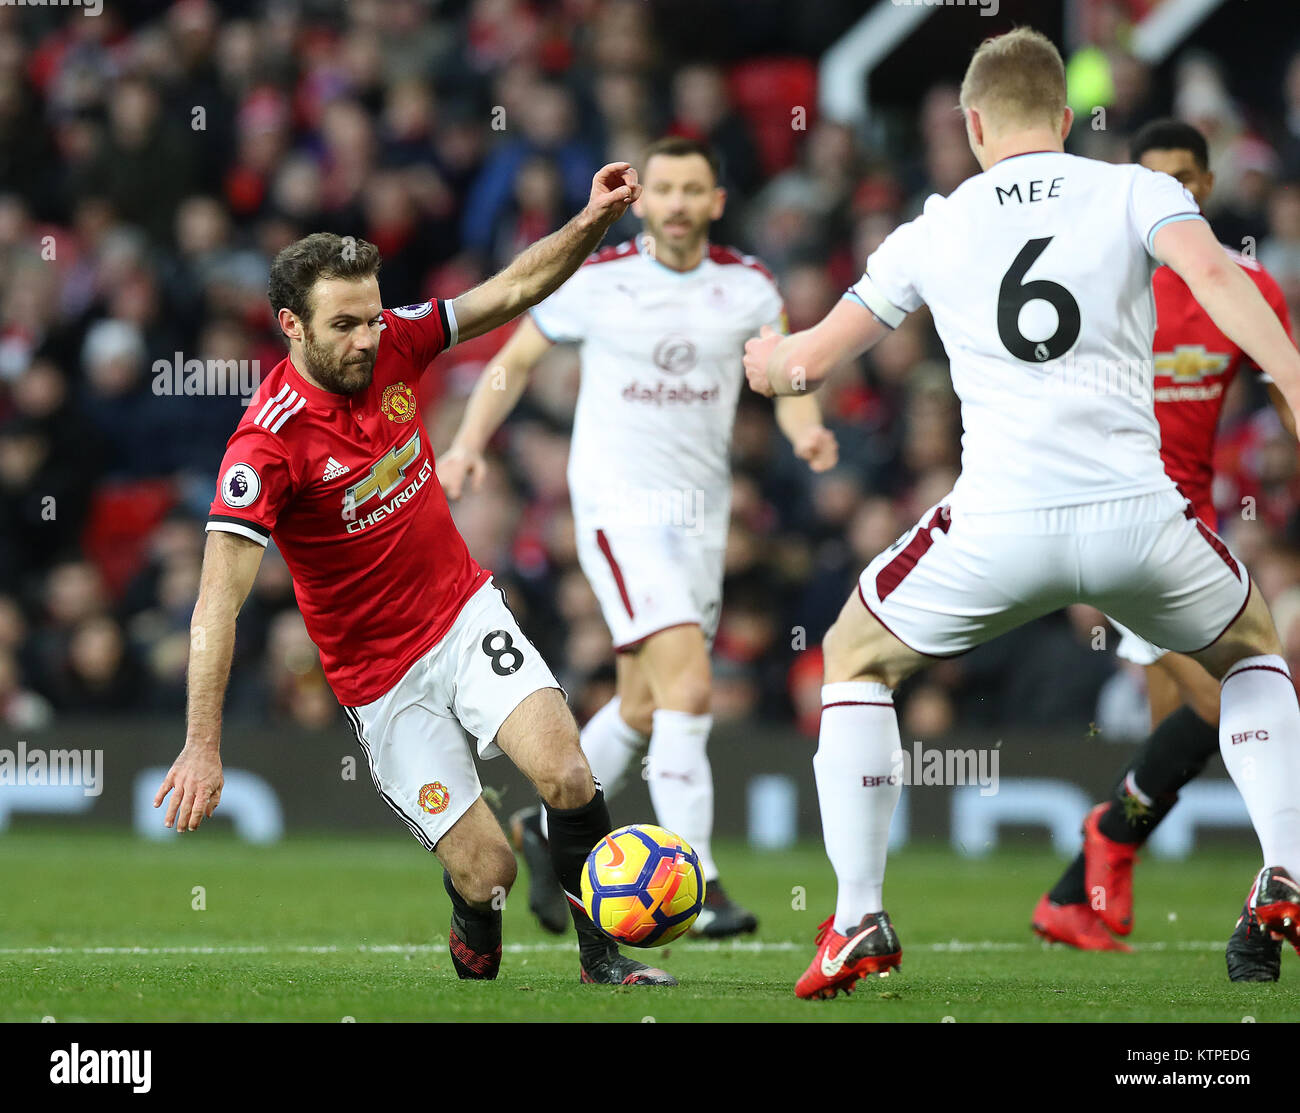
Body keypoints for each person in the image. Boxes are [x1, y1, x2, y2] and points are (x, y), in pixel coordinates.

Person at [743, 28, 1300, 1000]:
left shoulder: (932, 226)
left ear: (970, 123)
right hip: (1138, 517)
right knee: (1251, 651)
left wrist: (763, 360)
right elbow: (1216, 279)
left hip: (999, 526)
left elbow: (807, 364)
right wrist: (1291, 376)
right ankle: (1286, 872)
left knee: (852, 657)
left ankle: (858, 917)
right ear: (1064, 115)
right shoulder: (1136, 189)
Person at [154, 162, 682, 988]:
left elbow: (509, 290)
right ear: (291, 326)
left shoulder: (394, 339)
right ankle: (475, 908)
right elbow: (213, 611)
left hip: (464, 613)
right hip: (379, 678)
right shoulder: (265, 448)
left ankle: (601, 960)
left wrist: (593, 219)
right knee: (491, 873)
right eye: (345, 325)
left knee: (568, 772)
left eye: (372, 315)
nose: (369, 337)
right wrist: (201, 745)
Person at [439, 136, 838, 938]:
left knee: (644, 703)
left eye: (696, 188)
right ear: (642, 199)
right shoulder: (598, 280)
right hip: (618, 511)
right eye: (666, 189)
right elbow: (513, 362)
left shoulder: (751, 287)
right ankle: (703, 876)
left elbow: (784, 375)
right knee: (692, 686)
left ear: (717, 201)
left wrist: (806, 429)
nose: (680, 202)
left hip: (701, 520)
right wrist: (467, 443)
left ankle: (546, 828)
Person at [1031, 119, 1297, 983]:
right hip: (1120, 522)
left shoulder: (1242, 286)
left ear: (1207, 186)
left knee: (1191, 732)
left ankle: (1081, 882)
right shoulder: (1098, 283)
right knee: (1241, 707)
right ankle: (1258, 920)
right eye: (1156, 177)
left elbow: (1285, 388)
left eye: (1185, 178)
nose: (1171, 191)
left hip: (1197, 530)